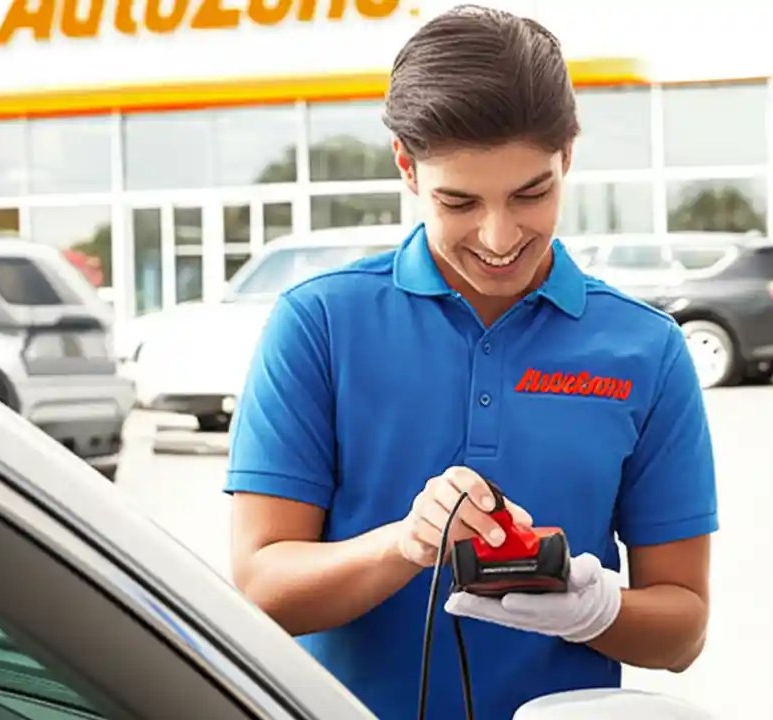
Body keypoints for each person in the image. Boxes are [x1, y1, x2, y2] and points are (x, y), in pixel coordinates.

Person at [224, 5, 717, 719]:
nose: (498, 236)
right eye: (459, 201)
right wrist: (405, 545)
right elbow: (262, 590)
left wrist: (594, 610)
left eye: (531, 194)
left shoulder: (646, 348)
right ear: (406, 166)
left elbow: (684, 631)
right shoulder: (320, 324)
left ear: (567, 155)